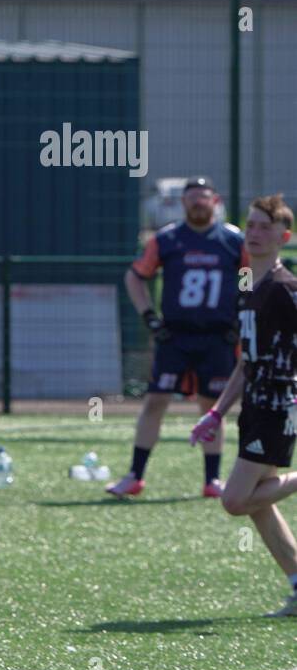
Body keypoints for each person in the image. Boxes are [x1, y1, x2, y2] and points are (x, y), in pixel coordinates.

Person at [189, 194, 297, 616]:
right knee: (258, 504)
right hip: (254, 407)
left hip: (277, 406)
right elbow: (246, 363)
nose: (254, 233)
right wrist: (216, 412)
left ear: (283, 237)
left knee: (235, 500)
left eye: (264, 227)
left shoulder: (286, 289)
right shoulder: (249, 285)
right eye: (250, 225)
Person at [107, 178, 247, 499]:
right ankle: (135, 475)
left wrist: (241, 315)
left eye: (203, 198)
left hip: (217, 336)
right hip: (176, 336)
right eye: (192, 198)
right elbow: (135, 276)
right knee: (155, 400)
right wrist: (149, 317)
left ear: (216, 201)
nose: (198, 203)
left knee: (212, 407)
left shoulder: (231, 240)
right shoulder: (167, 239)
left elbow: (249, 277)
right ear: (183, 203)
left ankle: (212, 480)